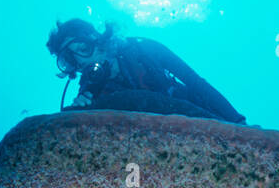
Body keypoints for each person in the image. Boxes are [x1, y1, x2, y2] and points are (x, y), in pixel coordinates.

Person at [46, 18, 246, 124]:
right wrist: (81, 111)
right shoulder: (89, 89)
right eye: (69, 59)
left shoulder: (146, 50)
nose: (81, 61)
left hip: (196, 116)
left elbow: (196, 83)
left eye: (82, 49)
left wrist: (237, 121)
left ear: (98, 41)